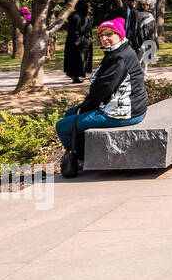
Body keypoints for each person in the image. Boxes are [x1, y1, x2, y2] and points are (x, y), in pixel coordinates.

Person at [55, 18, 148, 175]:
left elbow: (102, 91)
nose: (104, 39)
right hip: (125, 107)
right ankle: (85, 154)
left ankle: (81, 158)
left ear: (119, 35)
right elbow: (103, 90)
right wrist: (81, 108)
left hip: (122, 113)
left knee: (63, 126)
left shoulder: (119, 58)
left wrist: (84, 108)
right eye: (101, 35)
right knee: (70, 114)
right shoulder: (119, 51)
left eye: (109, 34)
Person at [63, 0, 94, 83]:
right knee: (77, 59)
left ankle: (75, 76)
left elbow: (88, 28)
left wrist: (90, 39)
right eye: (88, 6)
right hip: (76, 42)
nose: (89, 8)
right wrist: (78, 40)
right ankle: (74, 76)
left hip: (84, 41)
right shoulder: (75, 16)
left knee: (82, 59)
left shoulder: (85, 16)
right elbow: (73, 29)